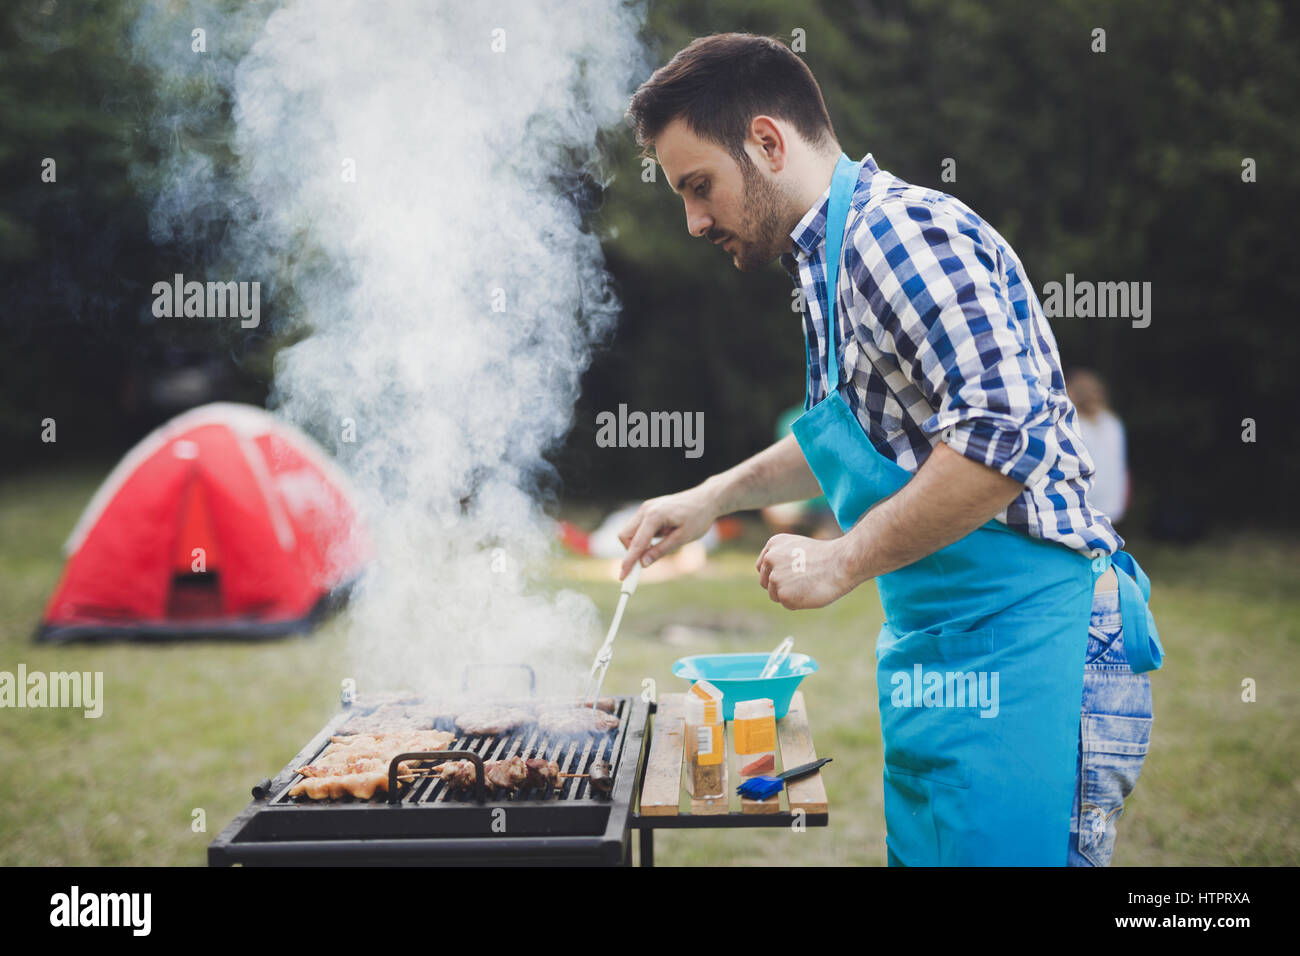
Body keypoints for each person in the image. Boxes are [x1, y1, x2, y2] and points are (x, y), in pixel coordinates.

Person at [617, 33, 1164, 866]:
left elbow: (1001, 437)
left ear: (767, 143)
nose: (693, 221)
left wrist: (842, 561)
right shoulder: (827, 266)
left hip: (1035, 645)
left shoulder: (893, 236)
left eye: (700, 187)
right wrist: (707, 500)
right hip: (947, 652)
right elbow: (848, 438)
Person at [1066, 369, 1129, 524]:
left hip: (1111, 503)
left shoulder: (1111, 422)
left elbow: (1119, 461)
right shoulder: (1069, 423)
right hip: (1078, 505)